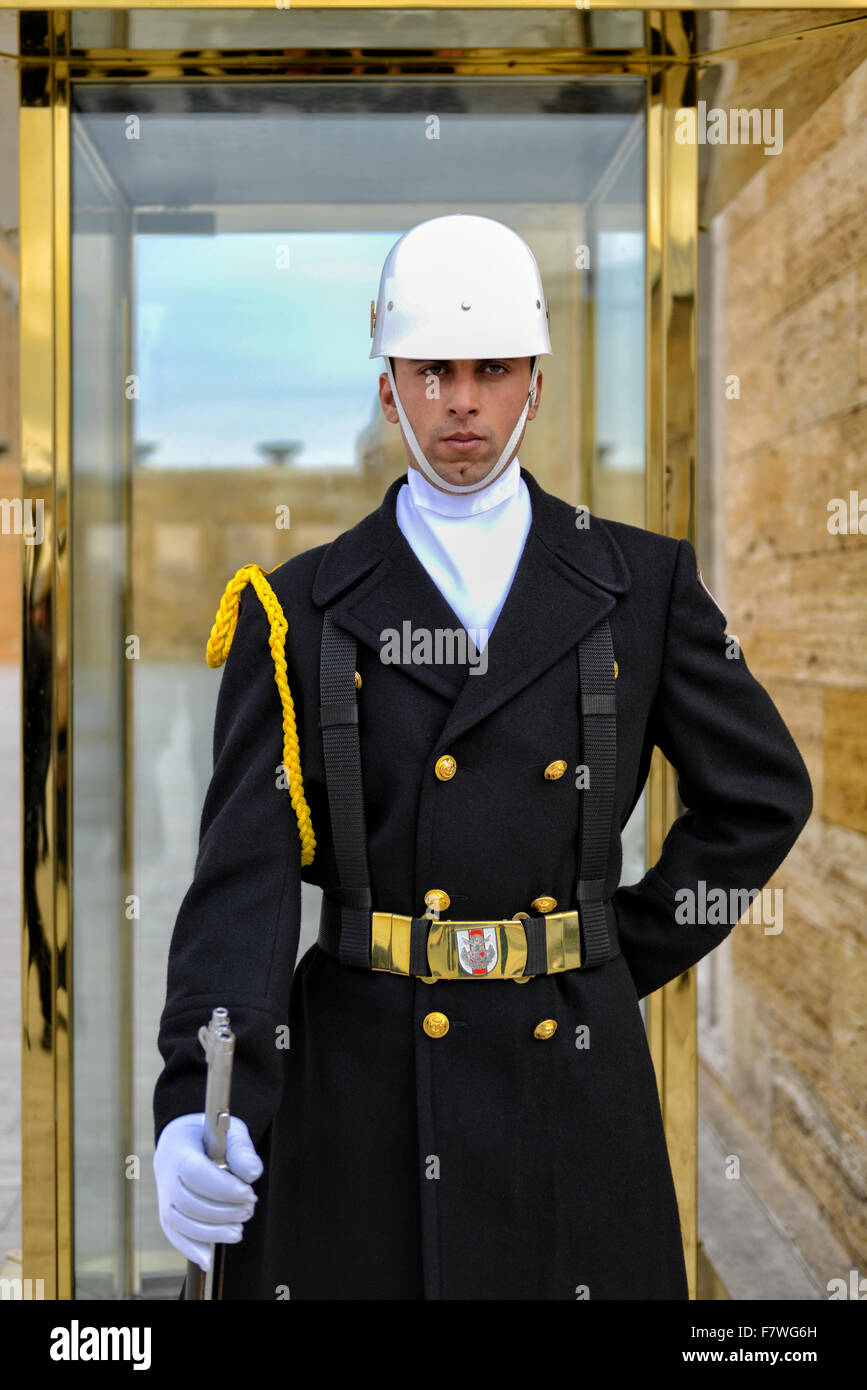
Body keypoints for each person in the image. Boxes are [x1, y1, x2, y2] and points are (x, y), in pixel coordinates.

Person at [152, 213, 812, 1300]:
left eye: (492, 368)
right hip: (359, 1083)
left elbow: (760, 797)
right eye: (432, 369)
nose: (462, 398)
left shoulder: (641, 586)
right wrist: (193, 1100)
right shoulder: (298, 609)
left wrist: (600, 952)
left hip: (572, 1077)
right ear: (388, 389)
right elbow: (245, 888)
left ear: (536, 387)